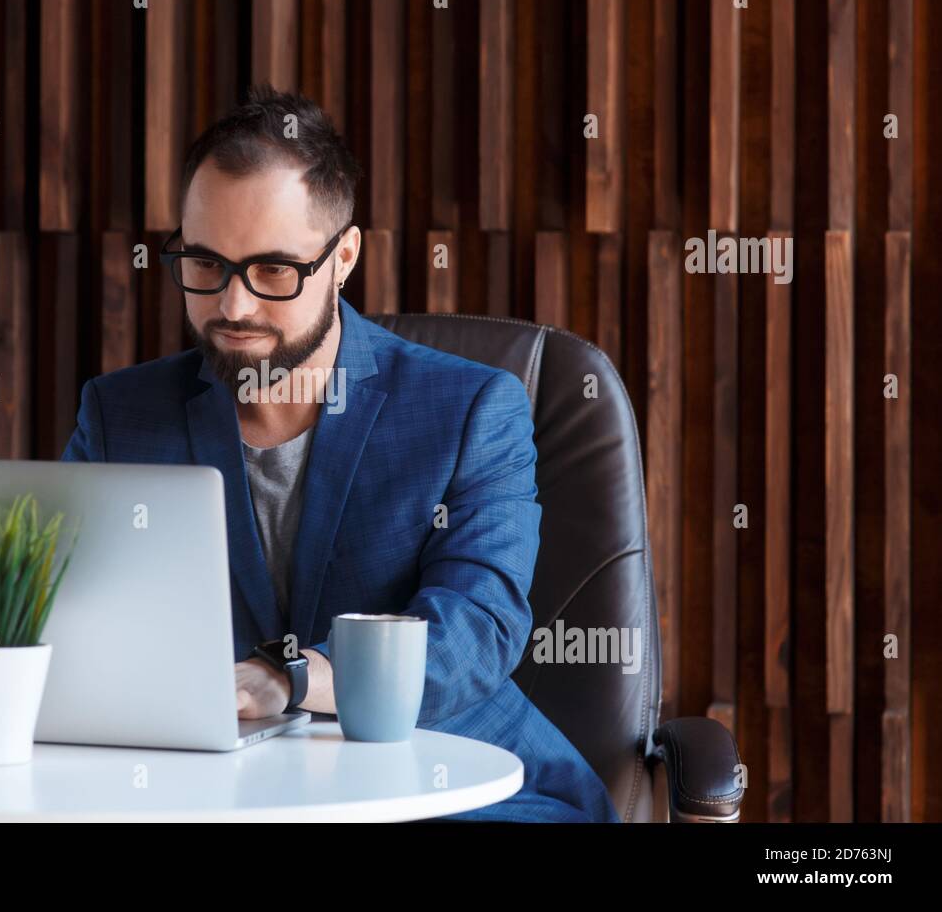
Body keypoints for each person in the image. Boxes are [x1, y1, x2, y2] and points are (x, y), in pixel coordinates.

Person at [61, 84, 620, 822]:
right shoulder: (121, 416)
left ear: (343, 256)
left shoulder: (471, 409)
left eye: (272, 271)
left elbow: (476, 629)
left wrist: (291, 677)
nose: (232, 306)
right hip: (219, 797)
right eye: (205, 264)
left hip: (454, 786)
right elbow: (63, 614)